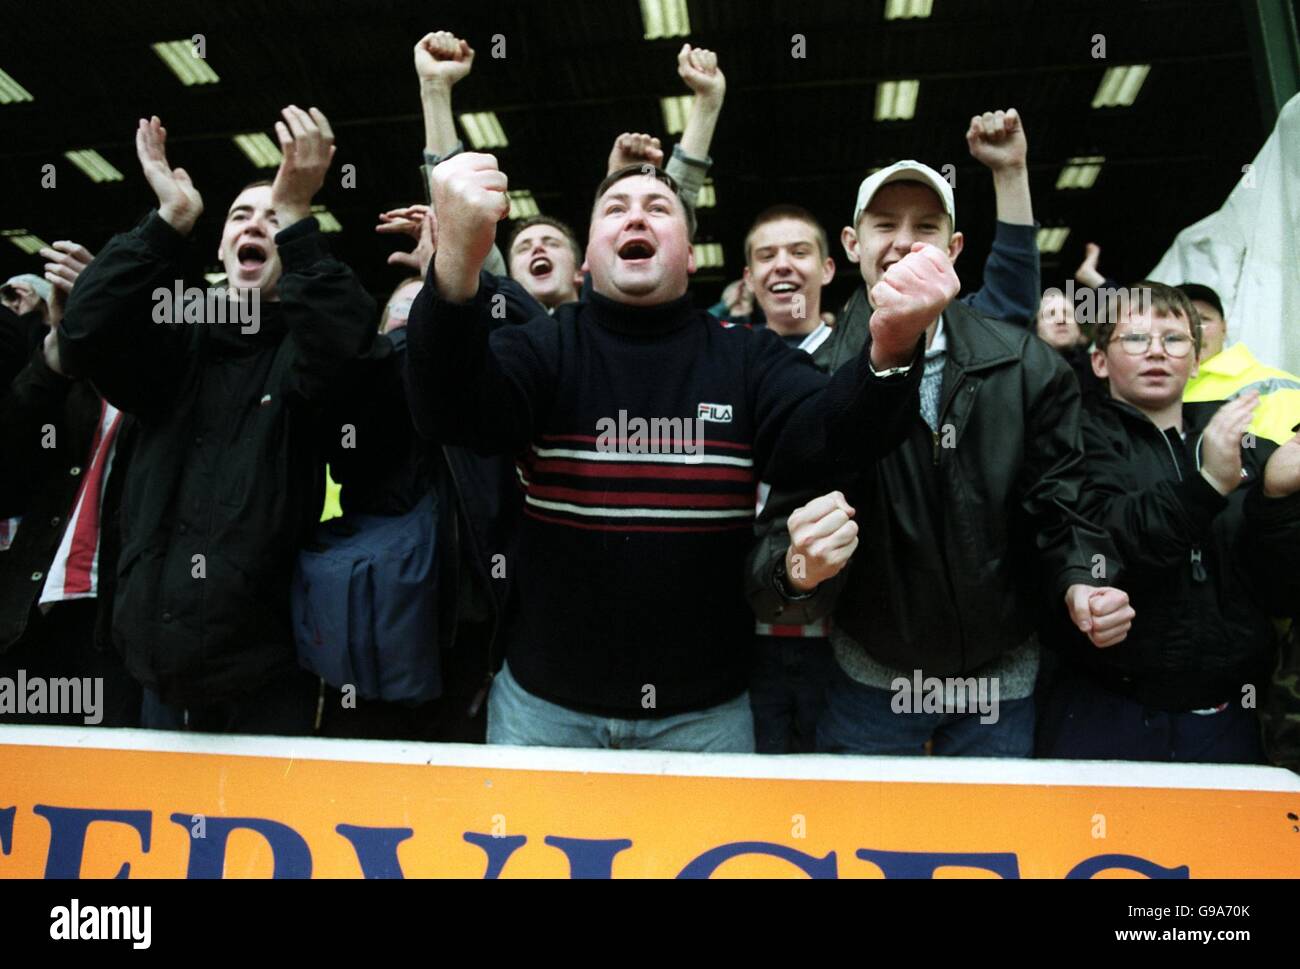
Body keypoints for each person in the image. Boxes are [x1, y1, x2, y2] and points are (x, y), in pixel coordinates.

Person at [405, 152, 953, 752]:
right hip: (543, 711)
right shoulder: (544, 348)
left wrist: (895, 344)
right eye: (615, 209)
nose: (636, 218)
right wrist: (455, 263)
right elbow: (448, 410)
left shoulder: (747, 359)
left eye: (658, 208)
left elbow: (832, 438)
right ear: (587, 260)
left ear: (691, 256)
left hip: (703, 719)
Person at [746, 156, 1132, 758]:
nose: (904, 241)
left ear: (953, 247)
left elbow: (1064, 504)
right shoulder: (811, 380)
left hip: (998, 687)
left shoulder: (1027, 366)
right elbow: (775, 552)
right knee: (866, 844)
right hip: (871, 684)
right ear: (852, 244)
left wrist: (1085, 579)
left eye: (925, 227)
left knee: (993, 846)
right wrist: (799, 571)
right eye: (884, 225)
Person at [56, 109, 379, 735]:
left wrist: (300, 218)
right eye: (241, 217)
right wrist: (166, 221)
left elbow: (350, 353)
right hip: (151, 668)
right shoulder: (178, 340)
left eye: (273, 216)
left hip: (269, 675)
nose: (258, 225)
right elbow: (83, 334)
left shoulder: (304, 352)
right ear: (223, 248)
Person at [1038, 282, 1300, 762]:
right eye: (1135, 338)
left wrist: (1277, 501)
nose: (1156, 351)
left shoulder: (1239, 441)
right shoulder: (1070, 438)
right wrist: (1206, 488)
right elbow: (1106, 542)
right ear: (1099, 362)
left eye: (1175, 339)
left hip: (1225, 717)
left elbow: (1277, 588)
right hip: (1105, 709)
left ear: (1197, 361)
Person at [413, 30, 725, 303]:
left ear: (582, 269)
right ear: (506, 274)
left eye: (551, 243)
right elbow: (455, 198)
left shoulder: (603, 324)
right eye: (523, 249)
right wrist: (434, 87)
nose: (537, 249)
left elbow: (673, 211)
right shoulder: (504, 313)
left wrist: (708, 102)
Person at [0, 242, 142, 727]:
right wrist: (59, 348)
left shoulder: (164, 389)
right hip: (27, 613)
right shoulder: (65, 386)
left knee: (99, 786)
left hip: (112, 625)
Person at [1178, 282, 1300, 446]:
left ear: (1224, 327)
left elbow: (1280, 460)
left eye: (1204, 319)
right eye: (1181, 321)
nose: (1194, 330)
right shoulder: (1146, 391)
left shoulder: (1273, 385)